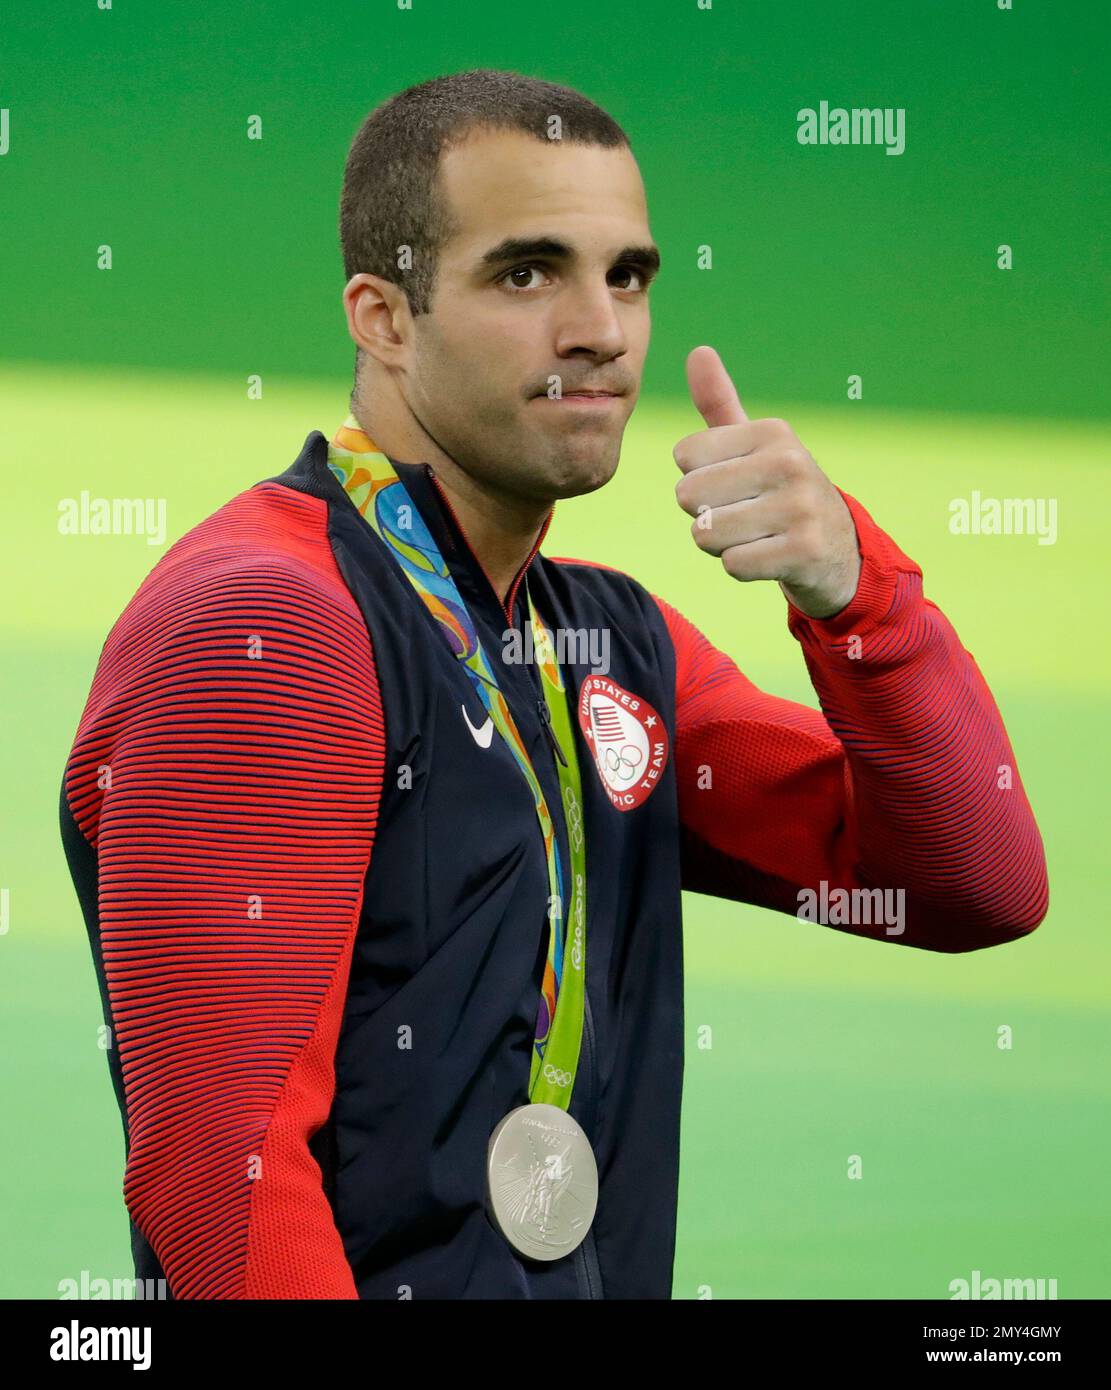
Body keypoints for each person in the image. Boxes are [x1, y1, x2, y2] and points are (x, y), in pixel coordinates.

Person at [59, 68, 1048, 1300]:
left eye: (626, 274)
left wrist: (858, 597)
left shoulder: (608, 639)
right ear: (384, 317)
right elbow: (223, 1179)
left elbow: (969, 886)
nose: (602, 329)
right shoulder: (270, 627)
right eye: (526, 273)